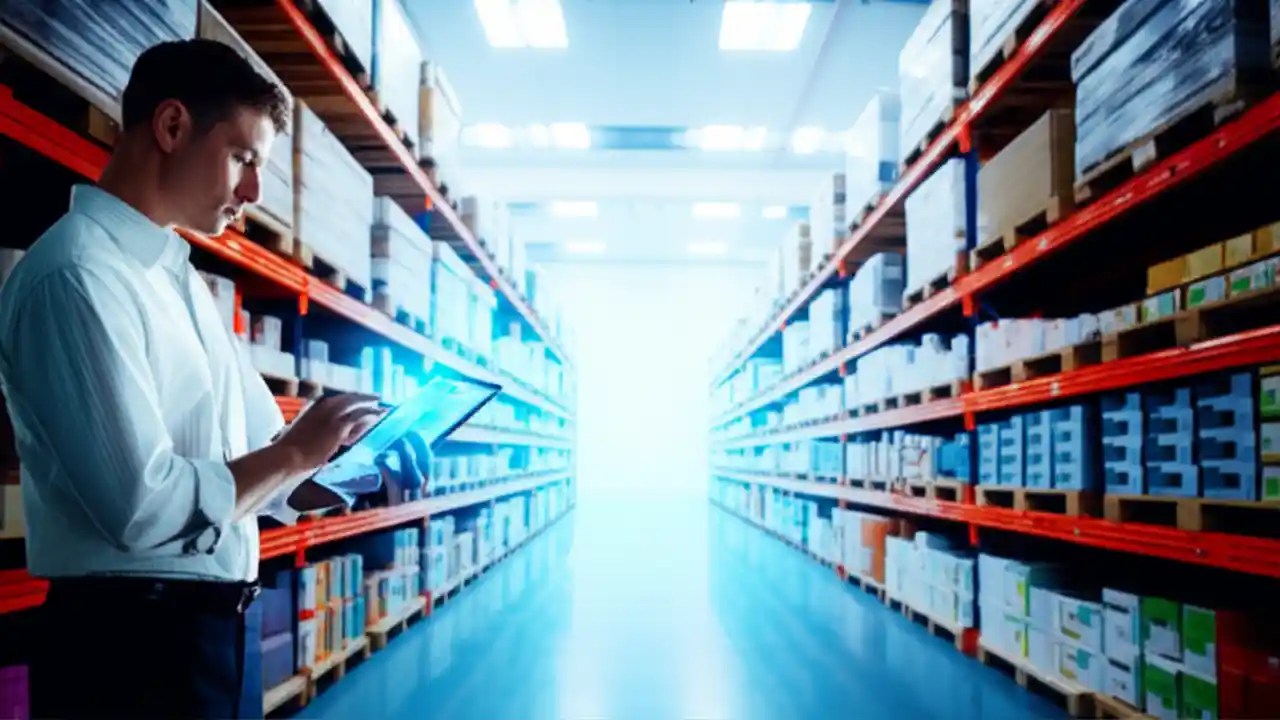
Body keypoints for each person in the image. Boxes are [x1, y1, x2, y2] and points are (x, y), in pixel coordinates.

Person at [0, 40, 382, 718]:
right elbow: (142, 507)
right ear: (172, 128)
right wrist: (296, 449)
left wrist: (354, 472)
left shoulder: (185, 285)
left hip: (208, 639)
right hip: (127, 655)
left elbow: (262, 478)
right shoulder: (78, 277)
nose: (254, 192)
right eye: (244, 158)